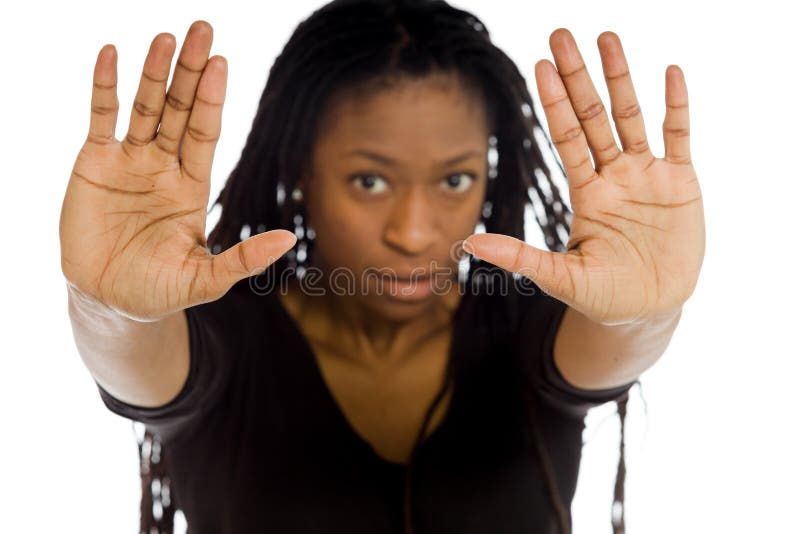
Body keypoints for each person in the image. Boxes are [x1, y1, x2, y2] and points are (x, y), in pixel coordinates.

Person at [59, 0, 705, 533]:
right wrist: (109, 307)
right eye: (369, 180)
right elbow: (137, 357)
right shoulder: (227, 336)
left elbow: (616, 342)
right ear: (302, 173)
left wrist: (647, 312)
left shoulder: (523, 326)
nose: (415, 232)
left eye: (455, 179)